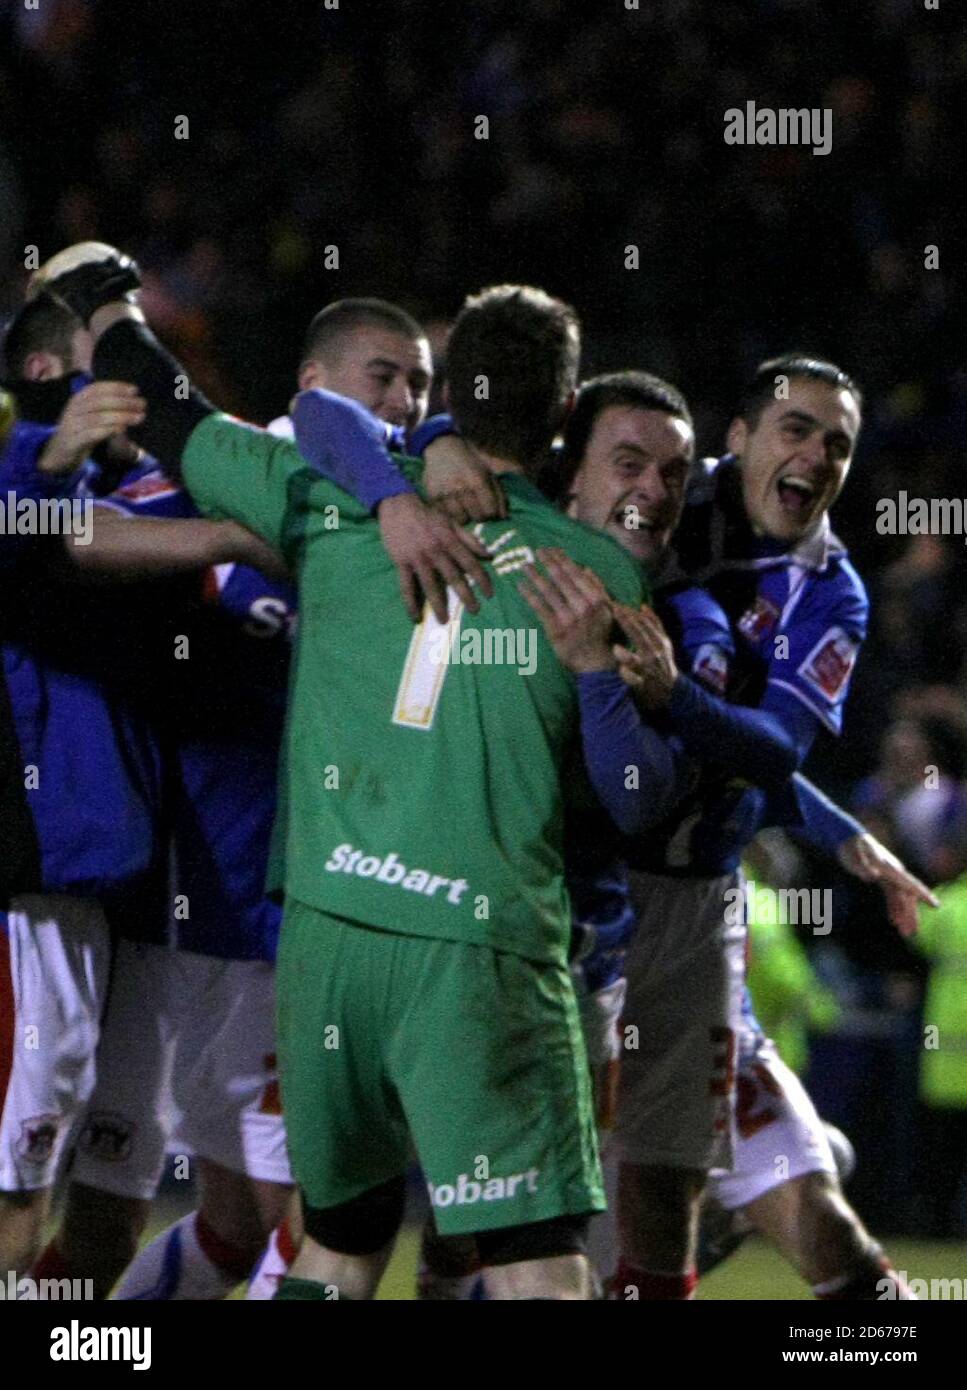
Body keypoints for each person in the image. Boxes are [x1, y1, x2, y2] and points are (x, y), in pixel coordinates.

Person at [35, 243, 686, 1299]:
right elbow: (630, 806)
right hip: (478, 948)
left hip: (328, 938)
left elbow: (170, 409)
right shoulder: (597, 571)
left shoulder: (320, 507)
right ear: (563, 413)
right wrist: (614, 691)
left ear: (444, 380)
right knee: (538, 1260)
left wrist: (102, 299)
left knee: (339, 1237)